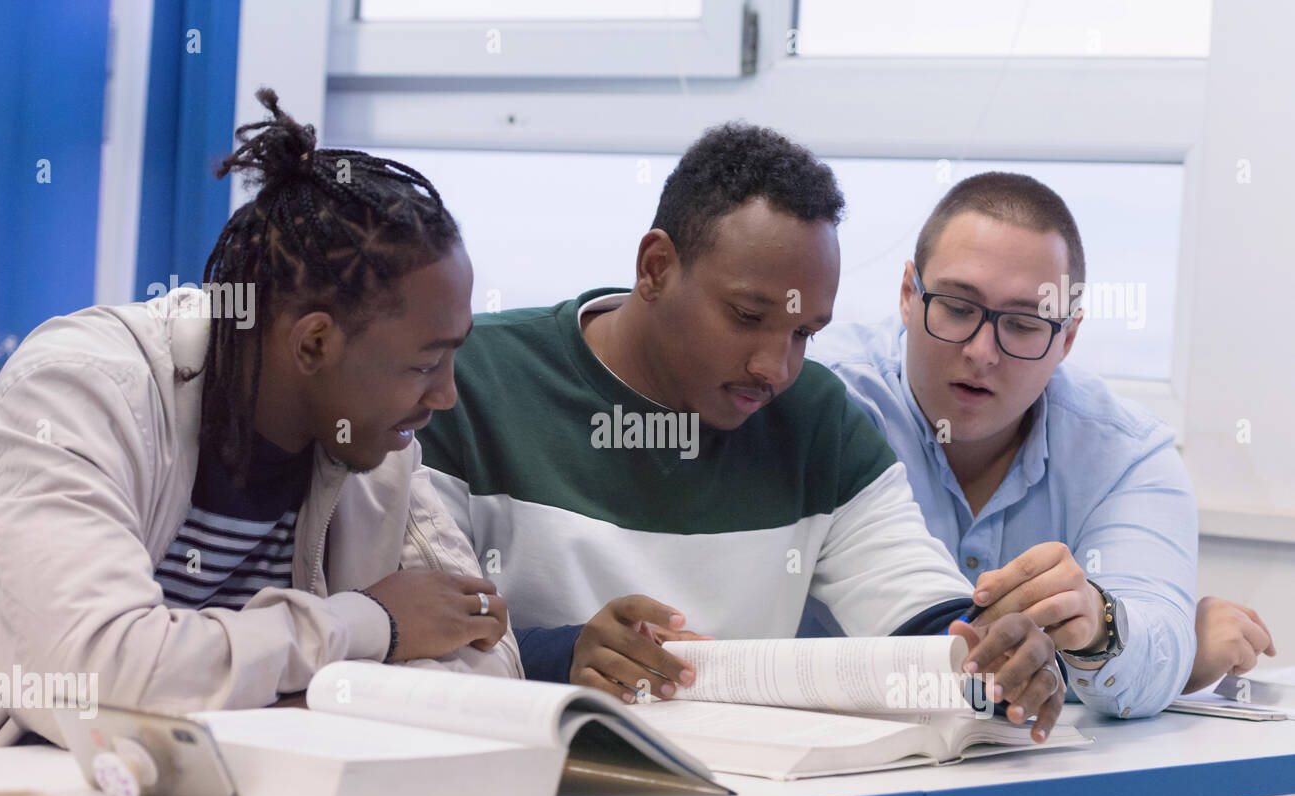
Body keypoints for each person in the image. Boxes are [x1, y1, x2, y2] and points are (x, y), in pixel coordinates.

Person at [421, 124, 1066, 742]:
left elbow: (923, 617)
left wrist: (1000, 653)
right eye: (746, 316)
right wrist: (563, 656)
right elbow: (400, 632)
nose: (775, 368)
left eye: (804, 335)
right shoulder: (466, 382)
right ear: (655, 267)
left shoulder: (819, 420)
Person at [0, 90, 520, 747]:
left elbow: (485, 657)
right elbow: (93, 675)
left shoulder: (371, 443)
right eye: (424, 364)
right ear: (313, 345)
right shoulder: (80, 389)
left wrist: (298, 692)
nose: (444, 394)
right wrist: (365, 624)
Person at [810, 171, 1273, 717]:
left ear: (1067, 337)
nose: (983, 352)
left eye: (1024, 324)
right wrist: (1184, 663)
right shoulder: (820, 405)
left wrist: (1103, 630)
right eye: (958, 309)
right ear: (910, 296)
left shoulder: (1127, 457)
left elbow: (1153, 637)